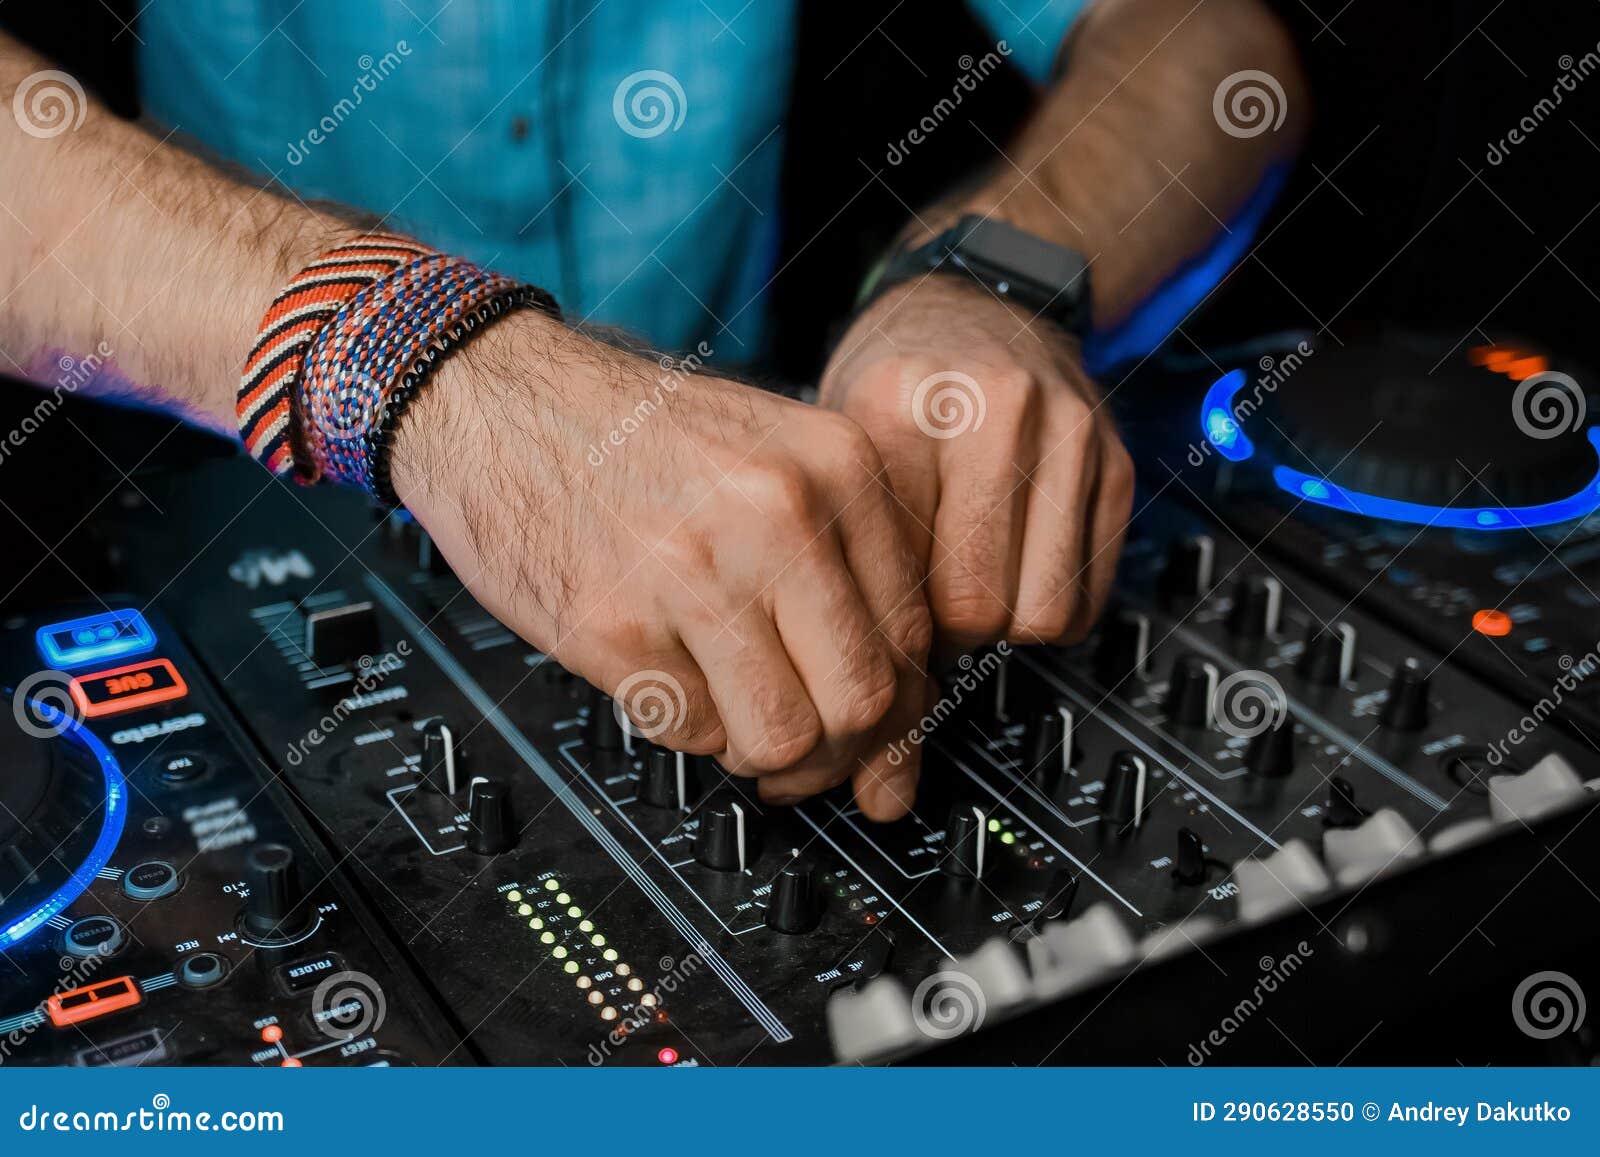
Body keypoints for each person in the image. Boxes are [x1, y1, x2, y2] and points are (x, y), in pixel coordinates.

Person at [0, 1, 1305, 820]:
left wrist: (995, 273)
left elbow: (1205, 34)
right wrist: (426, 369)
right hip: (216, 498)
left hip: (737, 488)